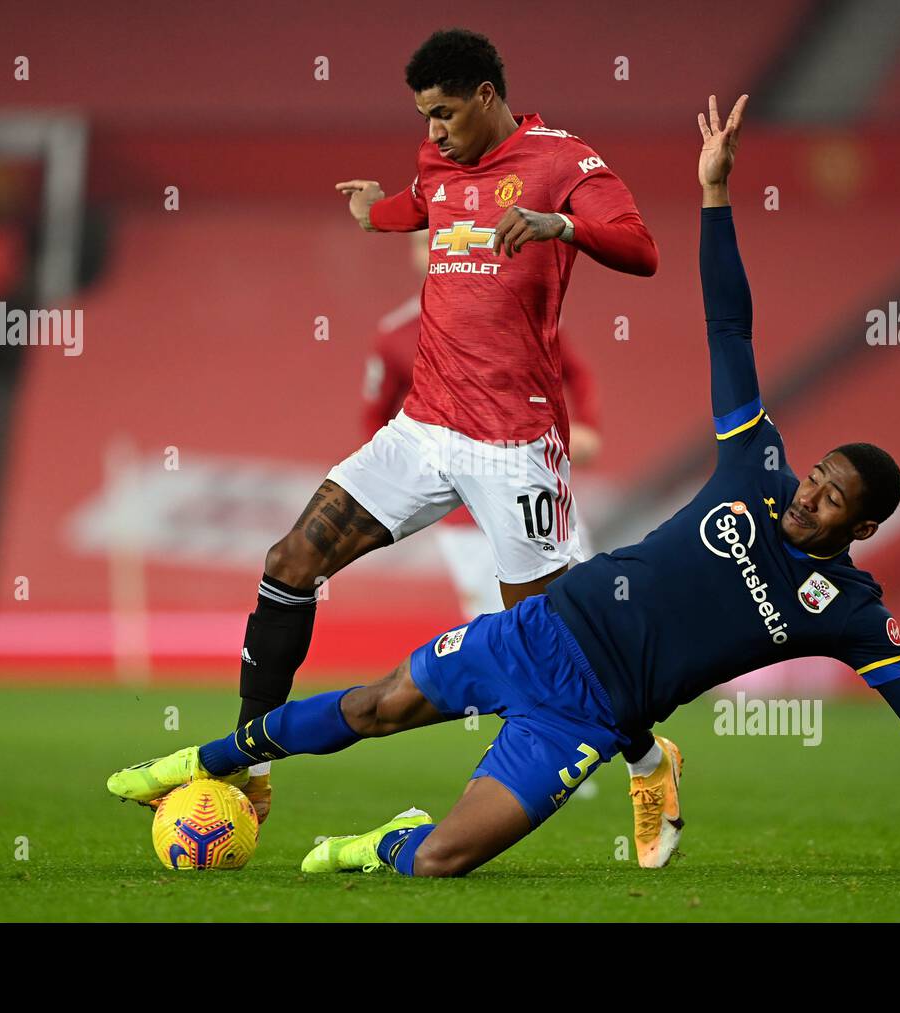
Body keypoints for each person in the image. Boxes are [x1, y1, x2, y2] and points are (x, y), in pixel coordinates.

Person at [111, 92, 900, 885]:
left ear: (867, 524)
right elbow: (731, 328)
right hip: (539, 629)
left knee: (442, 861)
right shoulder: (753, 465)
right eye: (817, 476)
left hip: (587, 714)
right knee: (370, 707)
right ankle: (197, 760)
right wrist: (715, 195)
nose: (809, 494)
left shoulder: (848, 610)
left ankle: (376, 843)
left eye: (833, 496)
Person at [232, 28, 673, 861]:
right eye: (423, 118)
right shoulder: (437, 162)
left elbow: (643, 250)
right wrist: (371, 213)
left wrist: (560, 227)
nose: (432, 132)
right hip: (424, 426)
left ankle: (649, 758)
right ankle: (249, 766)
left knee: (547, 653)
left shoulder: (562, 160)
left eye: (443, 114)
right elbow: (419, 202)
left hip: (517, 445)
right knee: (289, 561)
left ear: (485, 96)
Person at [363, 230, 604, 618]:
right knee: (497, 628)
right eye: (426, 242)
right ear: (414, 254)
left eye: (443, 238)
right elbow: (375, 420)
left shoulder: (519, 309)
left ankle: (598, 678)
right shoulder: (395, 336)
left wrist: (588, 425)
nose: (435, 250)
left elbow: (575, 372)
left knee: (583, 607)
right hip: (465, 518)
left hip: (535, 488)